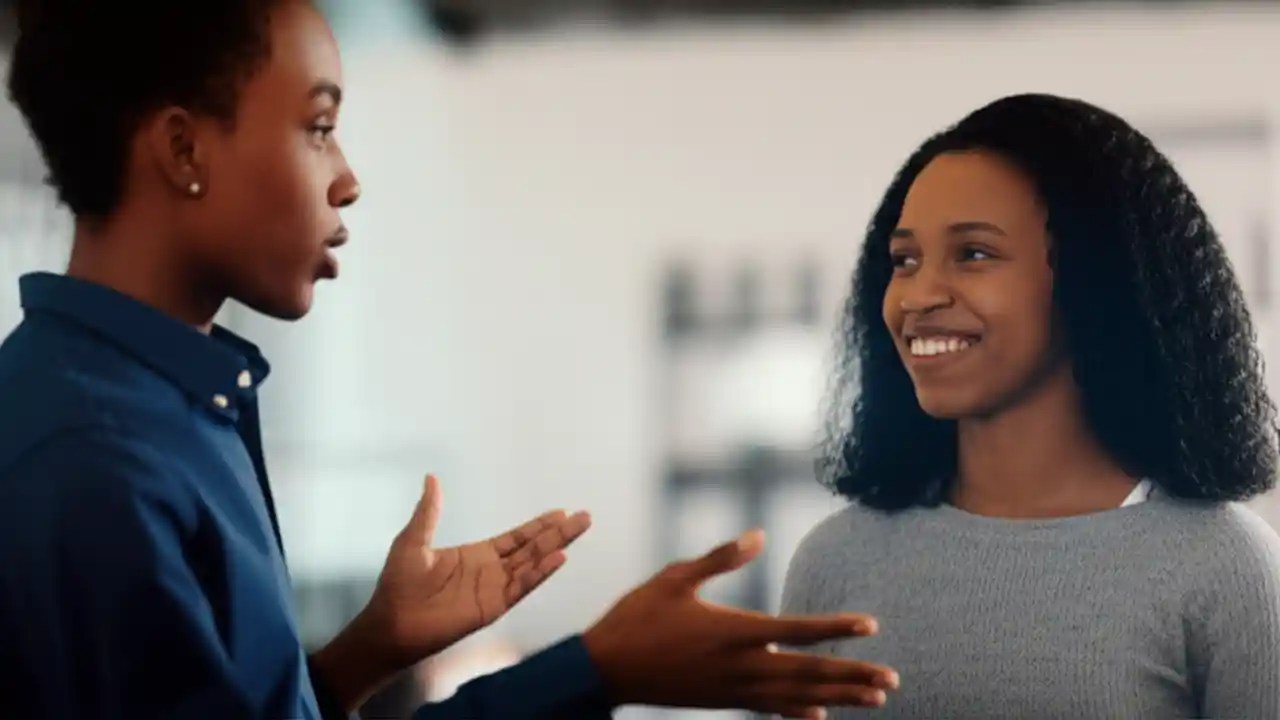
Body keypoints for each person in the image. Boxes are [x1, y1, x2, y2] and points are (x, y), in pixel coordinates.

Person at [0, 2, 902, 719]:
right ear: (184, 149)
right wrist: (595, 669)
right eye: (318, 127)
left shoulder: (164, 404)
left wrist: (371, 650)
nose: (346, 176)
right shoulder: (99, 459)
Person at [781, 92, 1280, 718]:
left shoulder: (1227, 567)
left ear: (1093, 279)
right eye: (904, 260)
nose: (918, 295)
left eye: (974, 253)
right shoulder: (833, 563)